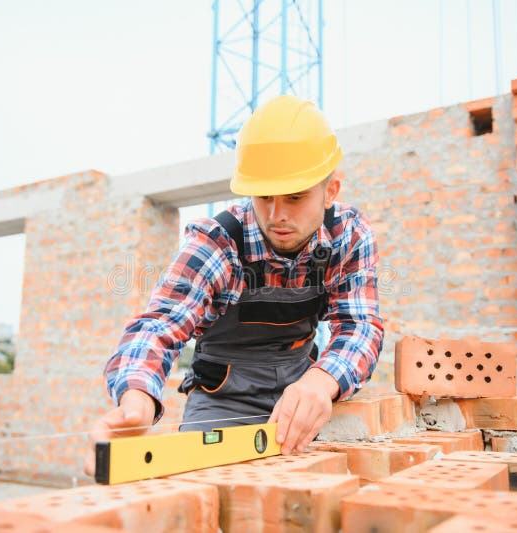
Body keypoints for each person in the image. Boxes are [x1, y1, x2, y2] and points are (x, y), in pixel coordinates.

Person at [84, 95, 384, 476]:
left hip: (302, 395)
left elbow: (360, 324)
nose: (277, 216)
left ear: (331, 191)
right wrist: (137, 400)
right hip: (221, 403)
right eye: (264, 196)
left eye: (295, 197)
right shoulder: (217, 243)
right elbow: (158, 328)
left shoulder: (349, 236)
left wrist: (322, 383)